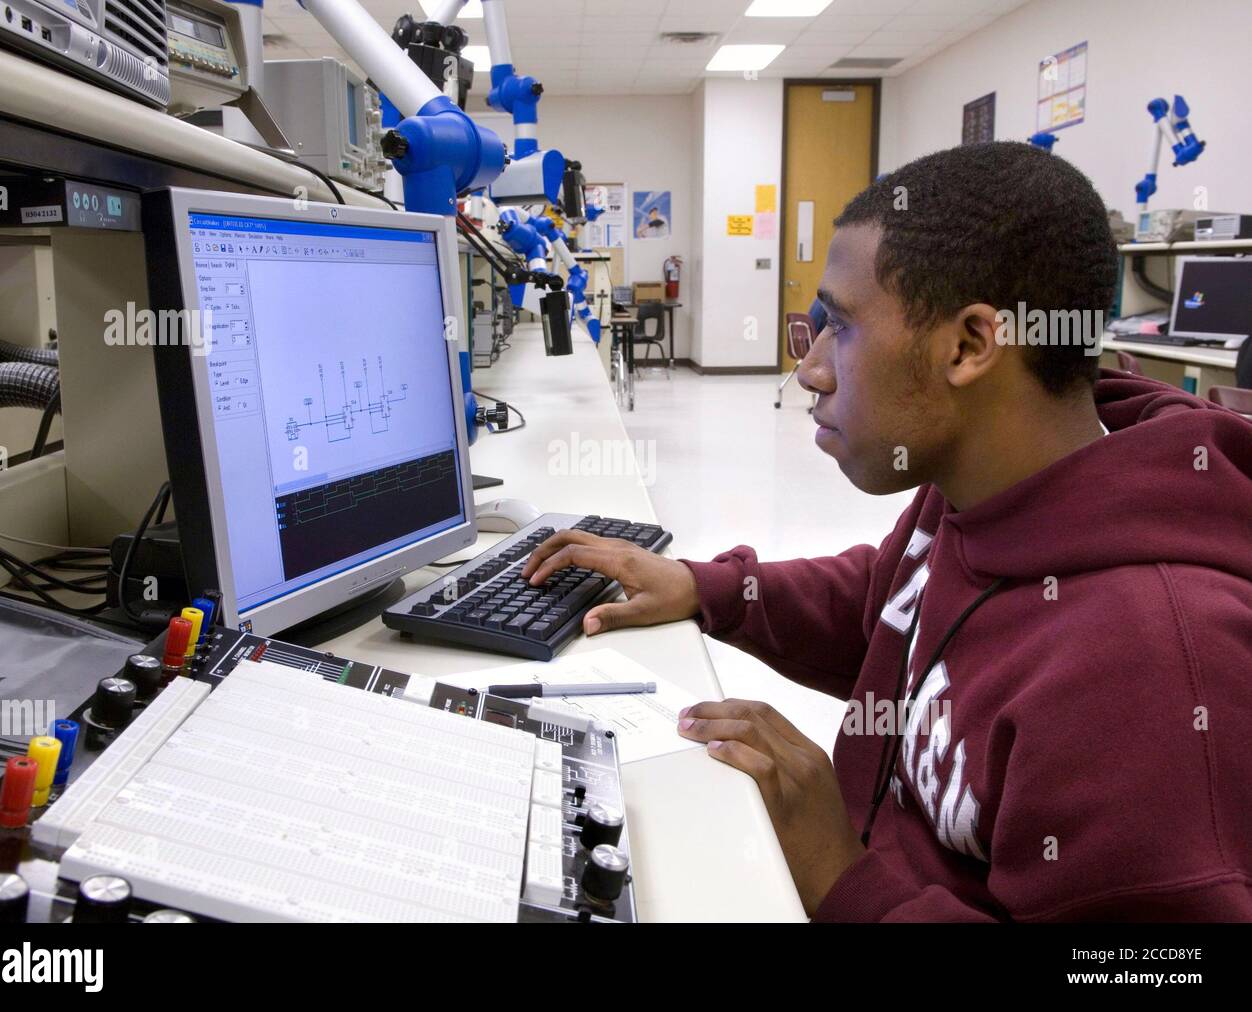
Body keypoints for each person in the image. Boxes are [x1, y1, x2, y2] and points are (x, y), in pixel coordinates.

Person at [520, 141, 1252, 921]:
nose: (810, 369)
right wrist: (711, 589)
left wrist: (839, 876)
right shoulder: (982, 485)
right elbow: (888, 596)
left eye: (841, 326)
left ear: (969, 346)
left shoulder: (1153, 669)